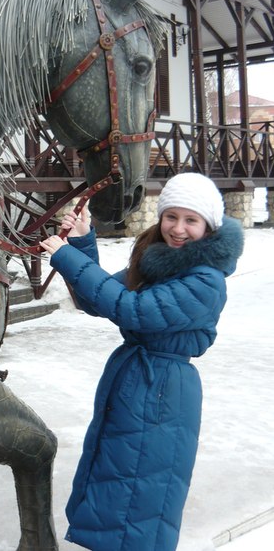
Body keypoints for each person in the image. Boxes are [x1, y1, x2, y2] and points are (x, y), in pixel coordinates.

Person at [40, 173, 244, 551]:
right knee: (115, 484)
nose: (178, 228)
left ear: (209, 227)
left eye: (191, 220)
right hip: (137, 384)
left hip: (161, 393)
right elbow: (95, 300)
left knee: (139, 498)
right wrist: (82, 240)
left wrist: (66, 256)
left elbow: (131, 309)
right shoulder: (159, 260)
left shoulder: (206, 281)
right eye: (171, 216)